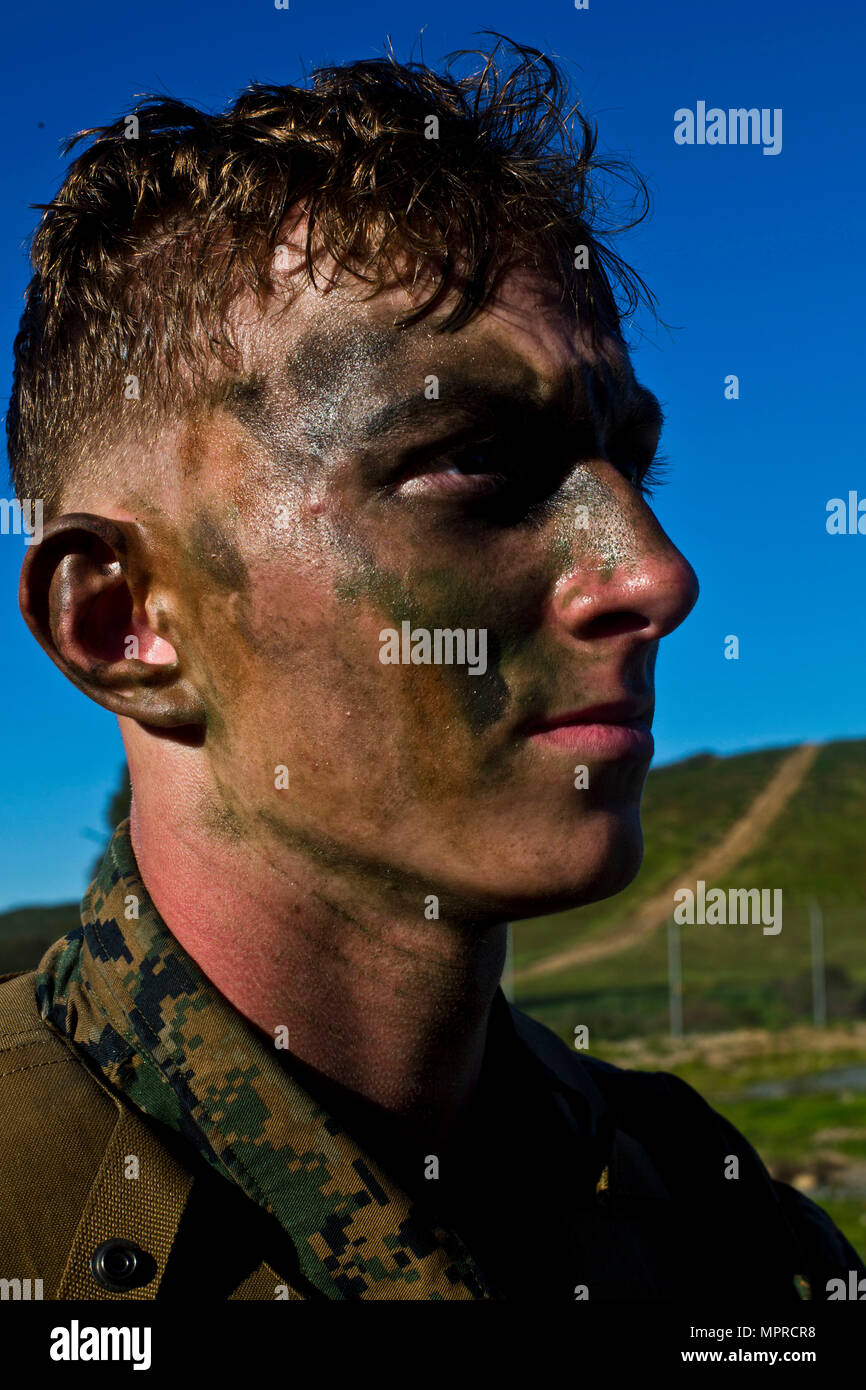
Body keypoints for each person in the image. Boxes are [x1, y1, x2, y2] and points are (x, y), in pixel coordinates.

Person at [1, 36, 860, 1301]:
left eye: (630, 461)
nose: (655, 576)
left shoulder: (718, 1228)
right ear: (123, 620)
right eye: (471, 463)